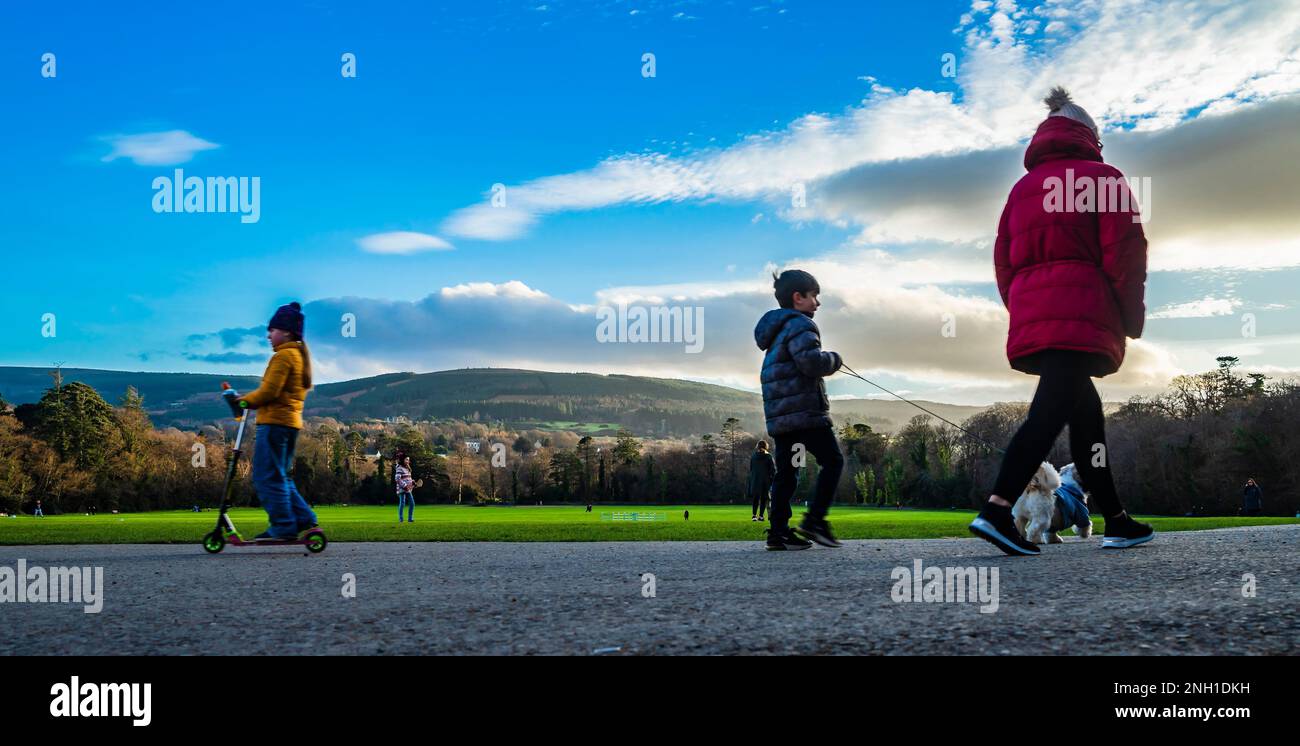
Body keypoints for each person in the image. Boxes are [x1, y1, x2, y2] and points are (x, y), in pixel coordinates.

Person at [968, 88, 1154, 556]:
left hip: (1039, 317)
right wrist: (1131, 317)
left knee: (1086, 418)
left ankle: (1115, 518)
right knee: (1048, 414)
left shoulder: (1021, 189)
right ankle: (995, 509)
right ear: (1089, 136)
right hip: (1083, 313)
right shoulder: (1103, 178)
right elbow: (1126, 257)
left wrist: (1026, 310)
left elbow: (1003, 262)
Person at [755, 269, 845, 550]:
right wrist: (834, 359)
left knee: (788, 473)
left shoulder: (778, 331)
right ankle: (815, 520)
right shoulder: (801, 324)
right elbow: (811, 363)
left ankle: (778, 533)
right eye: (814, 296)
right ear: (798, 298)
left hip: (784, 420)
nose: (817, 303)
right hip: (805, 414)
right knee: (832, 461)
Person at [237, 302, 319, 541]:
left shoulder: (284, 356)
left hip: (274, 424)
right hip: (289, 424)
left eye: (272, 330)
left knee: (266, 477)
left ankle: (283, 525)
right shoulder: (298, 356)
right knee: (280, 475)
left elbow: (268, 393)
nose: (268, 335)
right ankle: (303, 518)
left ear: (286, 331)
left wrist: (244, 401)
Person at [747, 441, 776, 521]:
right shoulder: (769, 457)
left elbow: (751, 469)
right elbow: (773, 470)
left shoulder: (753, 456)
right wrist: (772, 480)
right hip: (765, 481)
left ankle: (754, 516)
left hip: (755, 480)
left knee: (755, 499)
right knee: (764, 499)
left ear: (758, 446)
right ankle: (761, 516)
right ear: (766, 446)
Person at [395, 455, 416, 523]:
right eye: (406, 459)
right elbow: (397, 479)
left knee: (412, 503)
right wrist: (404, 486)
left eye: (408, 459)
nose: (408, 461)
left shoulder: (408, 468)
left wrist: (412, 482)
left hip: (408, 489)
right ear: (402, 460)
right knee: (402, 503)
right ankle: (401, 519)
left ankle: (410, 518)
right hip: (402, 489)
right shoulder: (399, 468)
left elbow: (408, 479)